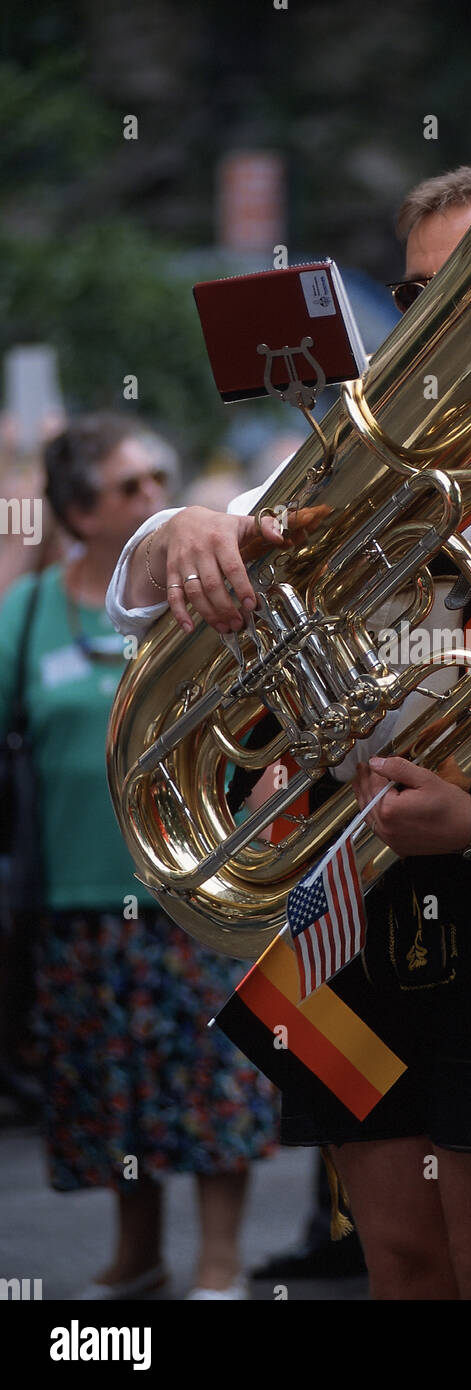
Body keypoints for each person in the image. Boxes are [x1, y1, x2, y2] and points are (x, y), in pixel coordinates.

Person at [107, 167, 471, 1301]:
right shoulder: (356, 451)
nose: (439, 322)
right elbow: (138, 600)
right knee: (400, 1261)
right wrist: (180, 526)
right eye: (421, 291)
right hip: (338, 889)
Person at [0, 414, 279, 1300]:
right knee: (110, 1092)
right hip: (78, 899)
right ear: (79, 514)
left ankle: (220, 1264)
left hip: (193, 890)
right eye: (129, 488)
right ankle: (139, 1255)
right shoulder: (28, 611)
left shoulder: (198, 597)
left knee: (212, 1088)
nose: (156, 498)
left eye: (158, 478)